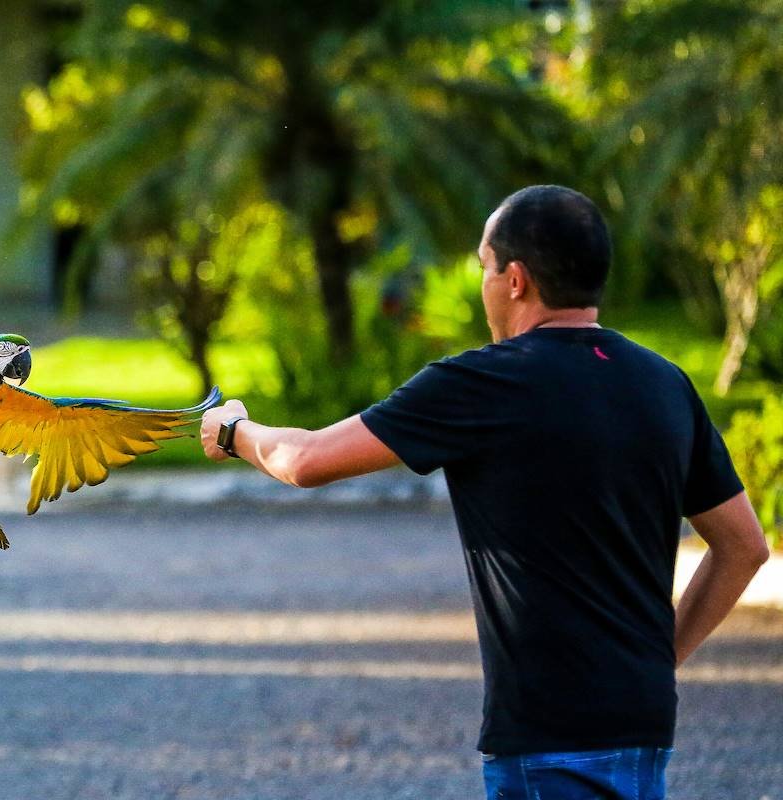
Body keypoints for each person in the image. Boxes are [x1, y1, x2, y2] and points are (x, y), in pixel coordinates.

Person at [200, 185, 770, 800]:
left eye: (484, 267)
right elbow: (744, 547)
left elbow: (305, 461)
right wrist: (659, 662)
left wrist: (234, 430)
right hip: (644, 728)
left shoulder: (482, 385)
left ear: (516, 279)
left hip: (548, 744)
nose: (484, 284)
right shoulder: (665, 384)